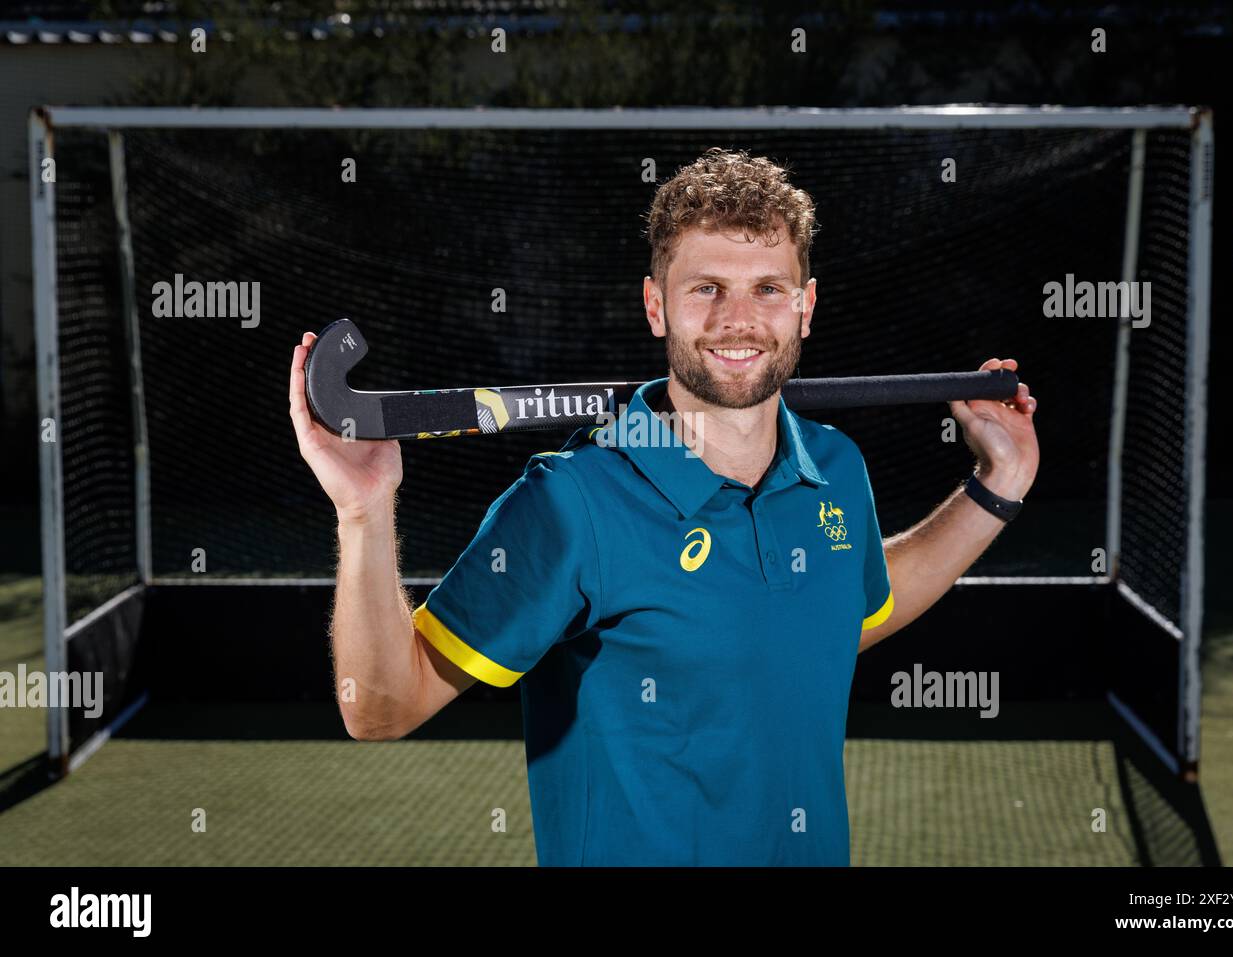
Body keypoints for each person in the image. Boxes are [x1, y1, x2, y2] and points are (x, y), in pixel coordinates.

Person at [288, 147, 1039, 866]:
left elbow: (850, 612)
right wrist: (364, 510)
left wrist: (997, 482)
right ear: (656, 306)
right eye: (706, 287)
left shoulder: (836, 466)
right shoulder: (572, 500)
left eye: (768, 288)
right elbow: (381, 708)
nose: (738, 319)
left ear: (806, 307)